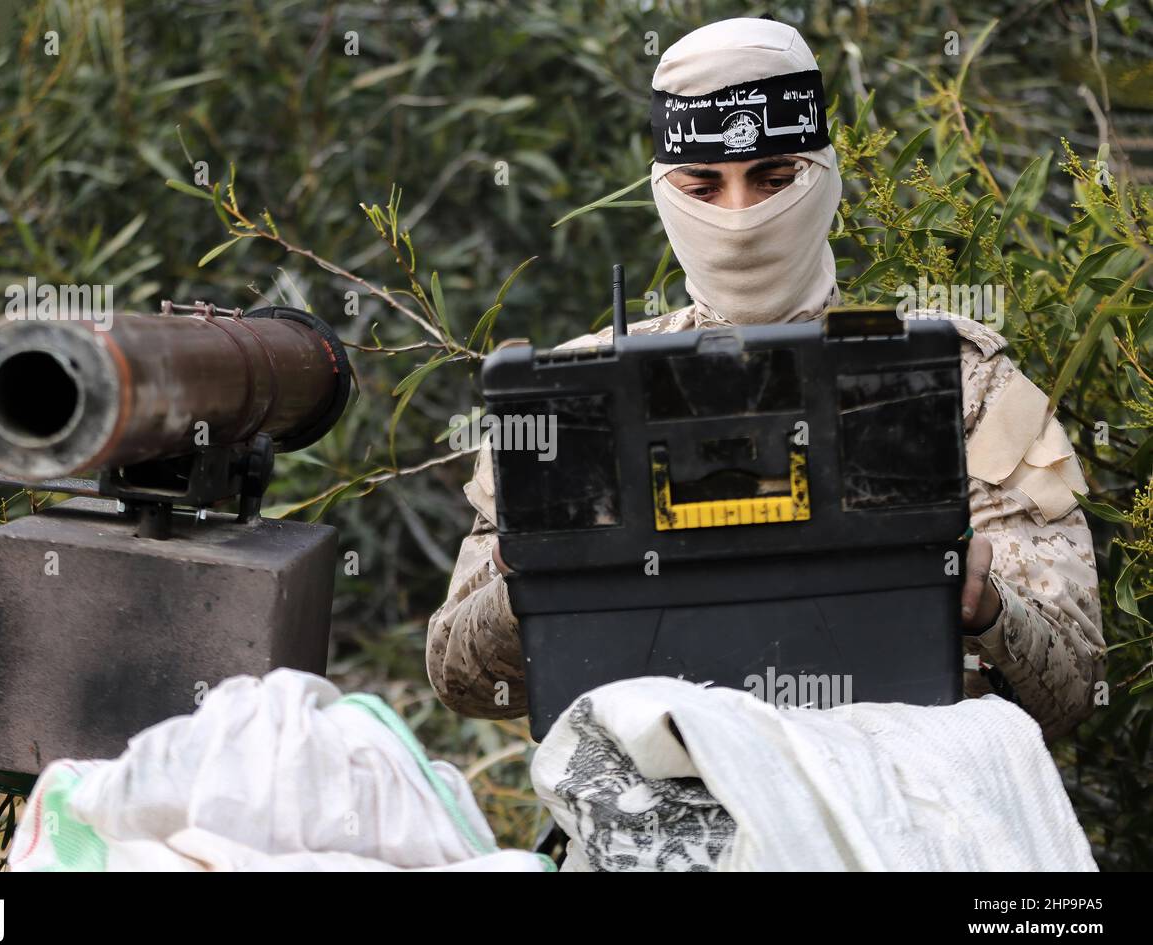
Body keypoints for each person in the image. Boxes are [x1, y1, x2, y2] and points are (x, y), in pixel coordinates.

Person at [426, 17, 1106, 744]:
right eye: (704, 185)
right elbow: (464, 680)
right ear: (665, 190)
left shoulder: (959, 385)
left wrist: (987, 606)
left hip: (897, 802)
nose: (742, 218)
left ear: (822, 174)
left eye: (773, 178)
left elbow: (1076, 690)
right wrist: (525, 572)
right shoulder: (573, 404)